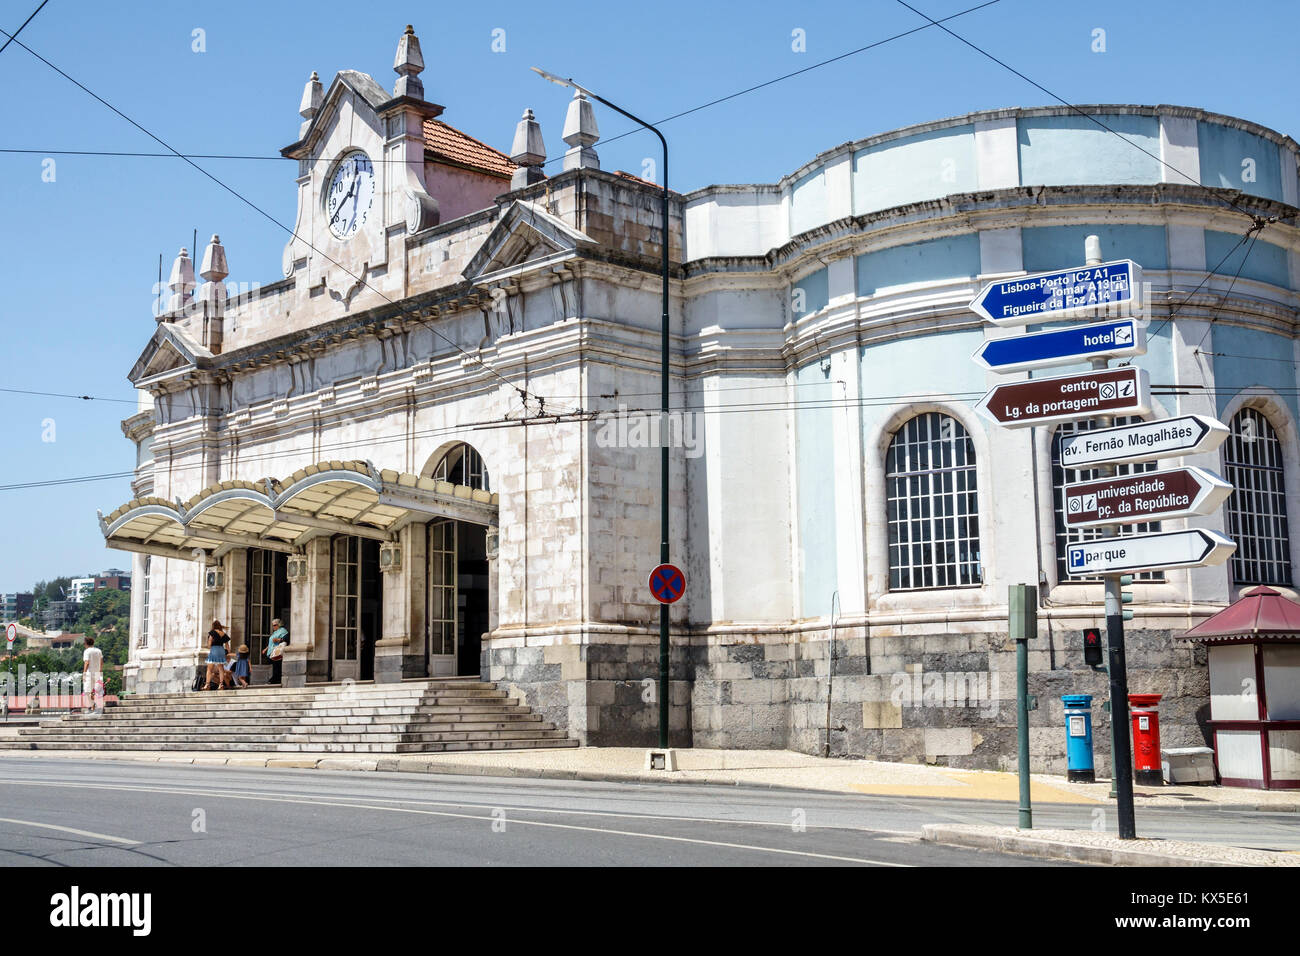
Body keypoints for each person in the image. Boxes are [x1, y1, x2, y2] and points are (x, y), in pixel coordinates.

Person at [82, 635, 104, 714]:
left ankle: (91, 706)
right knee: (98, 691)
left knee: (87, 690)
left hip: (89, 673)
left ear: (86, 644)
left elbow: (87, 662)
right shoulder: (99, 651)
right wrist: (100, 671)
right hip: (98, 673)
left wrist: (84, 673)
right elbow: (101, 662)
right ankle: (97, 707)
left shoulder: (87, 651)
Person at [204, 621, 227, 691]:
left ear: (213, 626)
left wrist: (209, 647)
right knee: (221, 668)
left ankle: (207, 685)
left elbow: (210, 641)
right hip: (221, 650)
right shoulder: (223, 633)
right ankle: (221, 684)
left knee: (209, 669)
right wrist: (227, 651)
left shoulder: (212, 632)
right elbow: (227, 645)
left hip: (214, 650)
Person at [266, 619, 288, 685]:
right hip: (273, 651)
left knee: (277, 665)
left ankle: (275, 679)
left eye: (275, 625)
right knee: (275, 665)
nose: (273, 627)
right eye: (273, 625)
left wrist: (279, 640)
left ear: (279, 625)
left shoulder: (283, 631)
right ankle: (275, 679)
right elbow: (271, 642)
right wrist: (266, 649)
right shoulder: (275, 632)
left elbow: (286, 639)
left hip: (278, 651)